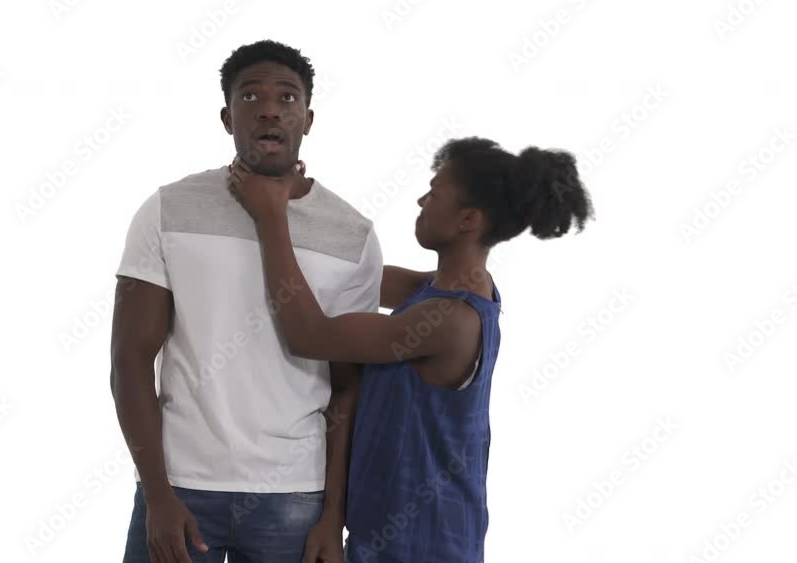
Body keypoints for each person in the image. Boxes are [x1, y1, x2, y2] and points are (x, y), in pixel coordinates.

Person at [227, 136, 595, 562]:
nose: (421, 200)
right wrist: (304, 208)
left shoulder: (448, 319)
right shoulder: (449, 290)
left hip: (422, 545)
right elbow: (348, 278)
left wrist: (271, 218)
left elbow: (308, 335)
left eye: (435, 192)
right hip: (395, 536)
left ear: (467, 220)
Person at [111, 40, 382, 563]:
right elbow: (128, 360)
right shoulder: (168, 210)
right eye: (251, 95)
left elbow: (349, 387)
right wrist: (157, 496)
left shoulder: (353, 234)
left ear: (307, 117)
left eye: (287, 97)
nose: (269, 108)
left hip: (296, 498)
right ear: (227, 115)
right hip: (182, 487)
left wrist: (333, 514)